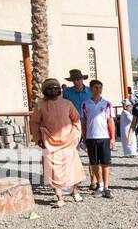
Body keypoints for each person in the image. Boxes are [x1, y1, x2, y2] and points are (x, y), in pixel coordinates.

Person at [28, 78, 84, 208]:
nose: (53, 90)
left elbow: (76, 120)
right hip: (49, 142)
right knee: (53, 171)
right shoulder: (40, 105)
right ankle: (60, 197)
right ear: (45, 91)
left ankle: (75, 192)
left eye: (55, 88)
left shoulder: (67, 103)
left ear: (59, 90)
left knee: (73, 168)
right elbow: (35, 123)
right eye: (50, 88)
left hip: (68, 141)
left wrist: (75, 135)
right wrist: (38, 139)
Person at [81, 79, 114, 198]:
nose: (98, 90)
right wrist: (84, 137)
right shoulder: (85, 104)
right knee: (94, 163)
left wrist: (112, 138)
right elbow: (84, 122)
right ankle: (99, 185)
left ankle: (106, 187)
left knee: (105, 163)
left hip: (104, 137)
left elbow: (110, 121)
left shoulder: (107, 104)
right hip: (91, 137)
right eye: (95, 87)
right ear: (90, 89)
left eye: (100, 87)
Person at [115, 87, 137, 159]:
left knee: (130, 141)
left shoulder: (125, 112)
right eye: (129, 106)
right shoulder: (126, 113)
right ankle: (131, 153)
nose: (131, 107)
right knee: (130, 141)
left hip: (127, 130)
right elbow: (131, 120)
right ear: (125, 106)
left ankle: (130, 153)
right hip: (127, 130)